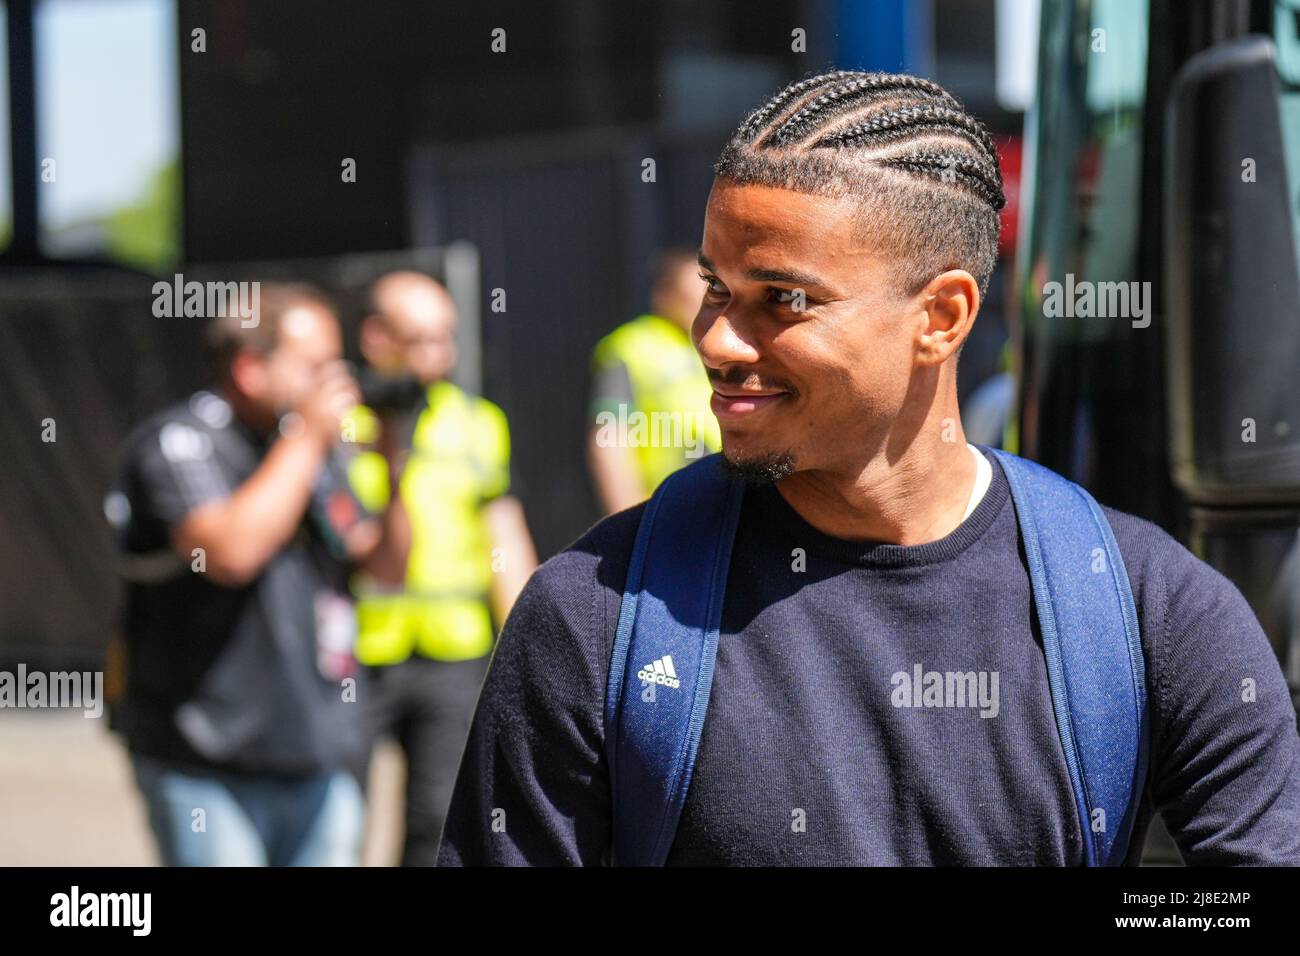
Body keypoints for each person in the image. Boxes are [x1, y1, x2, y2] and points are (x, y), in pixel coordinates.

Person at [437, 70, 1300, 865]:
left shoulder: (1147, 614)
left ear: (943, 317)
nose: (717, 341)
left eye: (784, 299)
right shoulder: (594, 619)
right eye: (715, 288)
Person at [107, 282, 410, 867]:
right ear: (249, 368)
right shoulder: (179, 443)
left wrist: (394, 465)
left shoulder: (311, 452)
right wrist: (308, 439)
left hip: (317, 757)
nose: (335, 384)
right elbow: (230, 552)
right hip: (206, 763)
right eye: (317, 367)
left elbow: (386, 567)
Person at [347, 270, 538, 866]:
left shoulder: (479, 423)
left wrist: (531, 641)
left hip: (453, 653)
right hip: (352, 651)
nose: (438, 354)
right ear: (376, 338)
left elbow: (502, 536)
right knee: (335, 815)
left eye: (445, 337)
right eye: (419, 338)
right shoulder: (336, 422)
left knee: (436, 818)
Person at [587, 249, 721, 514]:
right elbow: (609, 438)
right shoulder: (632, 347)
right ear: (664, 295)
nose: (700, 299)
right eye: (690, 290)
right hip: (662, 509)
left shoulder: (716, 345)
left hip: (720, 503)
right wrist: (630, 521)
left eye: (710, 288)